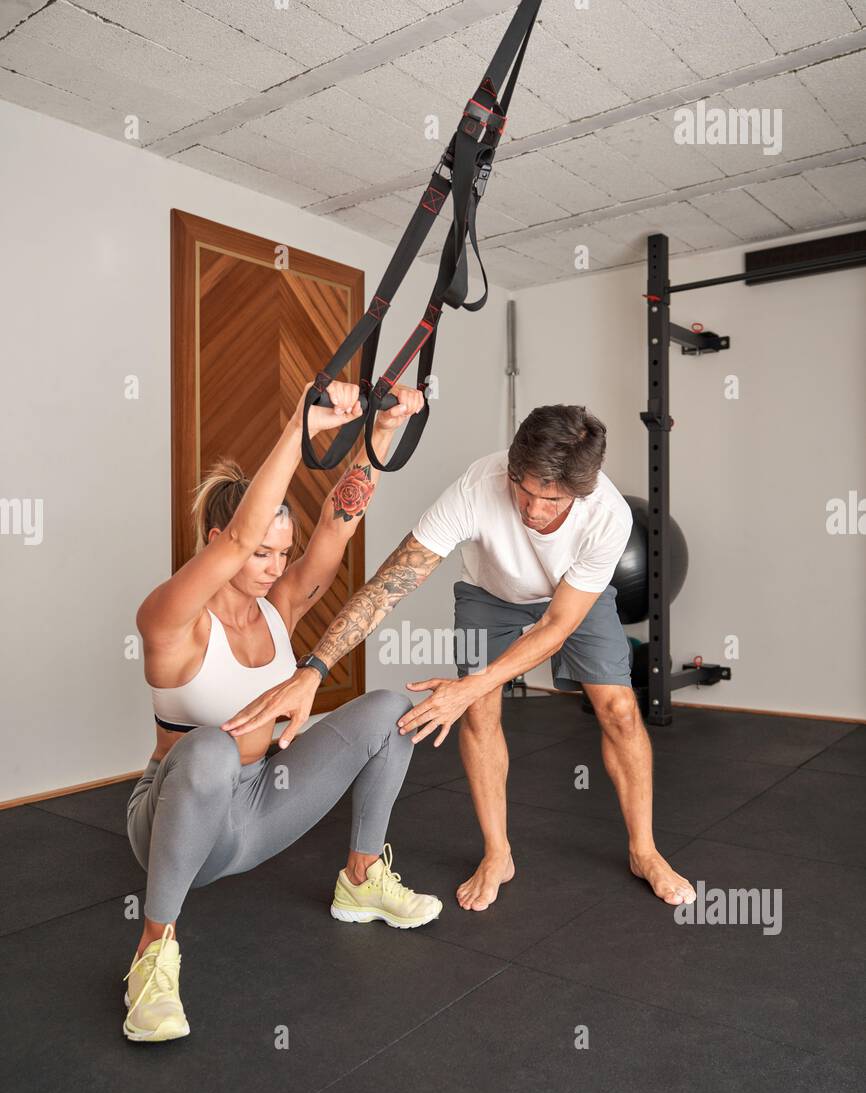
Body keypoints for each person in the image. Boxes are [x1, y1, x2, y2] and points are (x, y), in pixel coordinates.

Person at [223, 404, 699, 914]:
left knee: (621, 711)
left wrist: (469, 684)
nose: (533, 511)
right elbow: (389, 585)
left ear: (581, 491)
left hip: (571, 597)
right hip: (489, 593)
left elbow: (556, 627)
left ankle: (644, 851)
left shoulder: (608, 515)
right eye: (526, 490)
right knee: (480, 711)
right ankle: (498, 854)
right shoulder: (479, 486)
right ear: (513, 469)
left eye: (552, 500)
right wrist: (313, 669)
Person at [124, 380, 442, 1043]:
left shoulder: (280, 606)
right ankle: (151, 957)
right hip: (176, 820)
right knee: (210, 746)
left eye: (281, 553)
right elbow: (239, 545)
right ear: (219, 541)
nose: (273, 568)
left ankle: (360, 879)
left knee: (394, 707)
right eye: (259, 553)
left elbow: (337, 520)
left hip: (263, 805)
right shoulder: (169, 623)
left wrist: (381, 433)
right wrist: (300, 427)